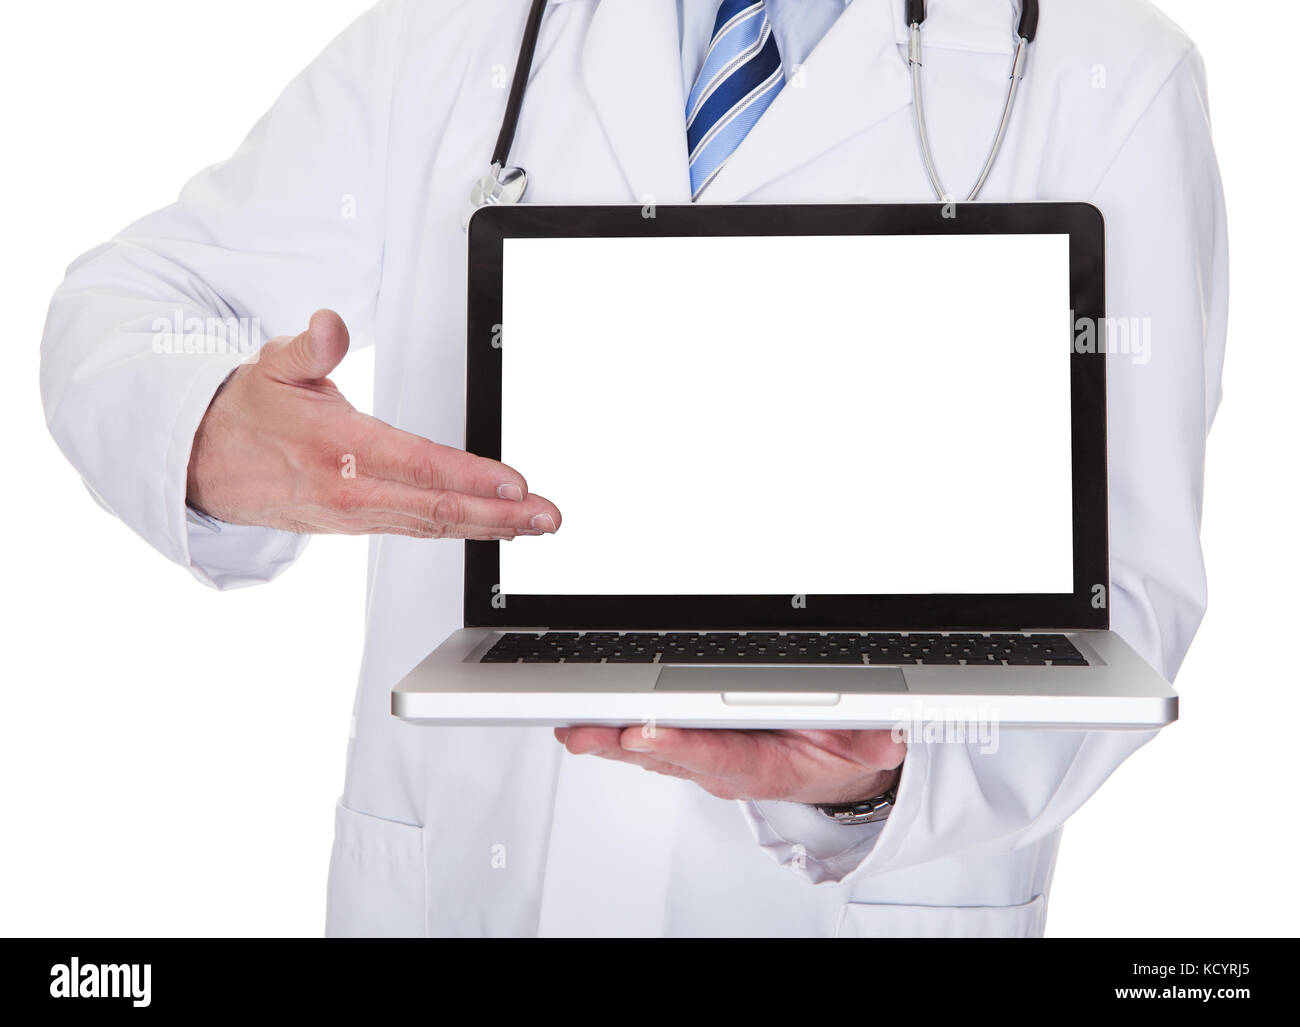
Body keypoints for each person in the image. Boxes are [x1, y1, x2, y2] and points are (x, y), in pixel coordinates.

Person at [40, 0, 1227, 937]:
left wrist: (872, 781)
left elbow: (1130, 592)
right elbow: (133, 302)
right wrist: (203, 424)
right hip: (457, 886)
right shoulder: (461, 35)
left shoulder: (1101, 67)